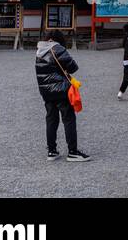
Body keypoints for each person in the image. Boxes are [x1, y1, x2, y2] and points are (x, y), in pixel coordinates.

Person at [35, 31, 90, 162]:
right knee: (68, 119)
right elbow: (73, 67)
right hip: (61, 90)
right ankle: (72, 152)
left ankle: (52, 151)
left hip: (46, 92)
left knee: (51, 120)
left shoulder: (39, 51)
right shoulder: (58, 48)